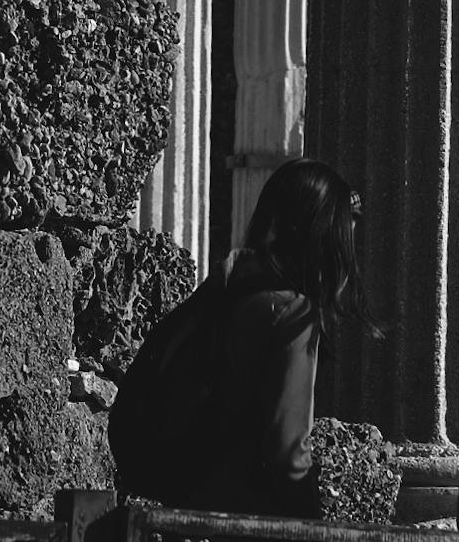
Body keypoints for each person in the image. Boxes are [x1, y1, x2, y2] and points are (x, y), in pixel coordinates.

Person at [112, 159, 366, 515]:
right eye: (344, 240)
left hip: (170, 483)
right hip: (228, 505)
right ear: (323, 240)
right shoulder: (293, 314)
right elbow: (288, 456)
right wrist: (313, 523)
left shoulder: (229, 284)